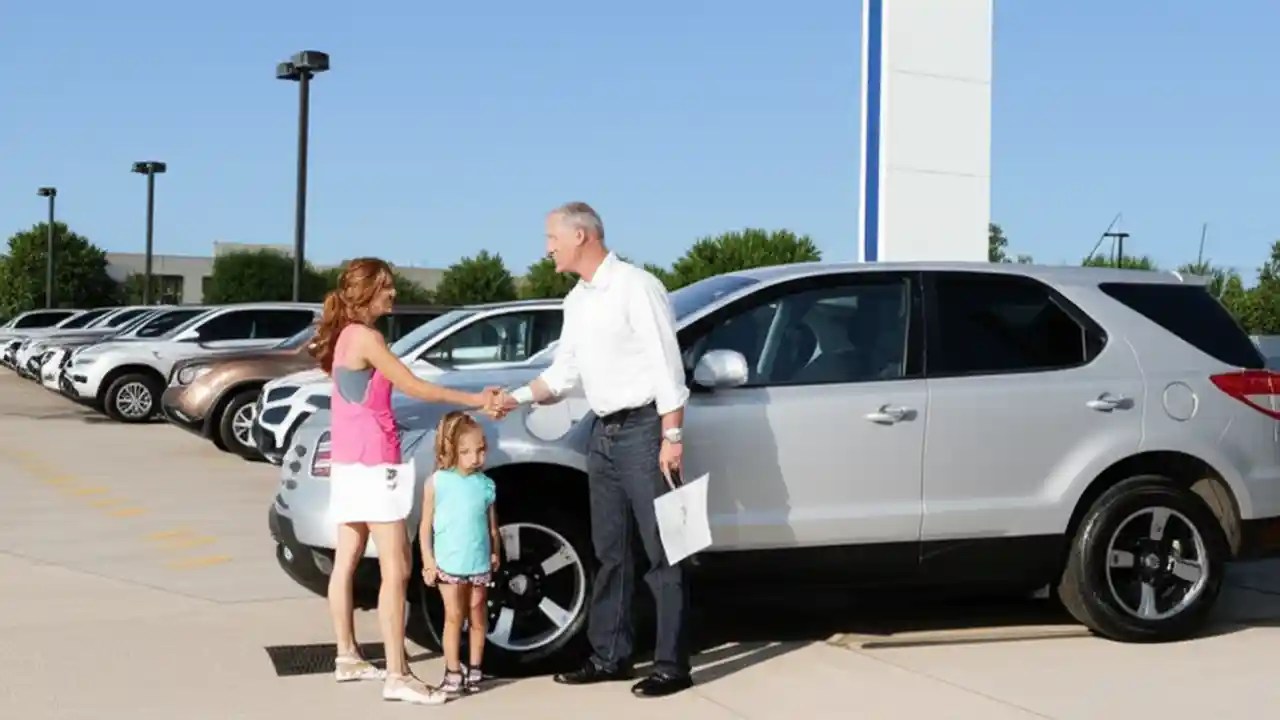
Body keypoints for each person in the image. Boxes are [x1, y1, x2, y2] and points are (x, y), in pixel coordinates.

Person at [498, 202, 693, 698]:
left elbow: (667, 366)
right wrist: (514, 398)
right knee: (611, 552)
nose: (546, 249)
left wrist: (672, 438)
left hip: (646, 429)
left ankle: (672, 665)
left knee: (663, 552)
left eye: (551, 238)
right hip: (603, 433)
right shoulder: (578, 300)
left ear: (581, 235)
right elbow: (565, 375)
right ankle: (610, 655)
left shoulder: (636, 286)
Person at [309, 257, 504, 706]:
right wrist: (475, 399)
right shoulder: (366, 337)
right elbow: (415, 386)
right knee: (395, 568)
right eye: (386, 286)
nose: (393, 293)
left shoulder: (342, 337)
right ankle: (397, 674)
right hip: (375, 465)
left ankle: (348, 656)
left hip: (349, 462)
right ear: (366, 291)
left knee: (349, 559)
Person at [419, 411, 501, 696]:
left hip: (478, 563)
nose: (475, 457)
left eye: (480, 450)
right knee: (453, 616)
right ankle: (453, 671)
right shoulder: (437, 482)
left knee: (478, 615)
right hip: (449, 563)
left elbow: (492, 528)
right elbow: (425, 526)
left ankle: (476, 668)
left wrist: (495, 553)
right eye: (466, 451)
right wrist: (428, 560)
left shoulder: (486, 485)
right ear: (450, 450)